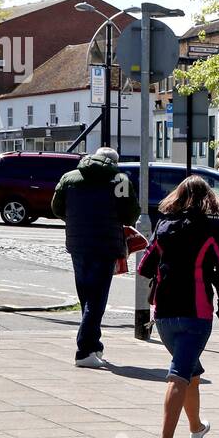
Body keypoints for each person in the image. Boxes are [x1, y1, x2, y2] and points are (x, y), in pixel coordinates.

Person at [137, 175, 219, 438]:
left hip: (164, 313)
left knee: (191, 370)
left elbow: (144, 266)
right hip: (196, 313)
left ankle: (196, 427)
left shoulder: (163, 227)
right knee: (179, 374)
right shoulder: (210, 230)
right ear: (208, 199)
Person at [52, 147, 138, 368]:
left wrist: (75, 220)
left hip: (78, 243)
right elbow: (130, 213)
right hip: (105, 244)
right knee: (97, 298)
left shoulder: (69, 178)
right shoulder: (119, 179)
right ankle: (84, 350)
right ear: (114, 162)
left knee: (86, 296)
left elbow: (56, 208)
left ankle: (94, 344)